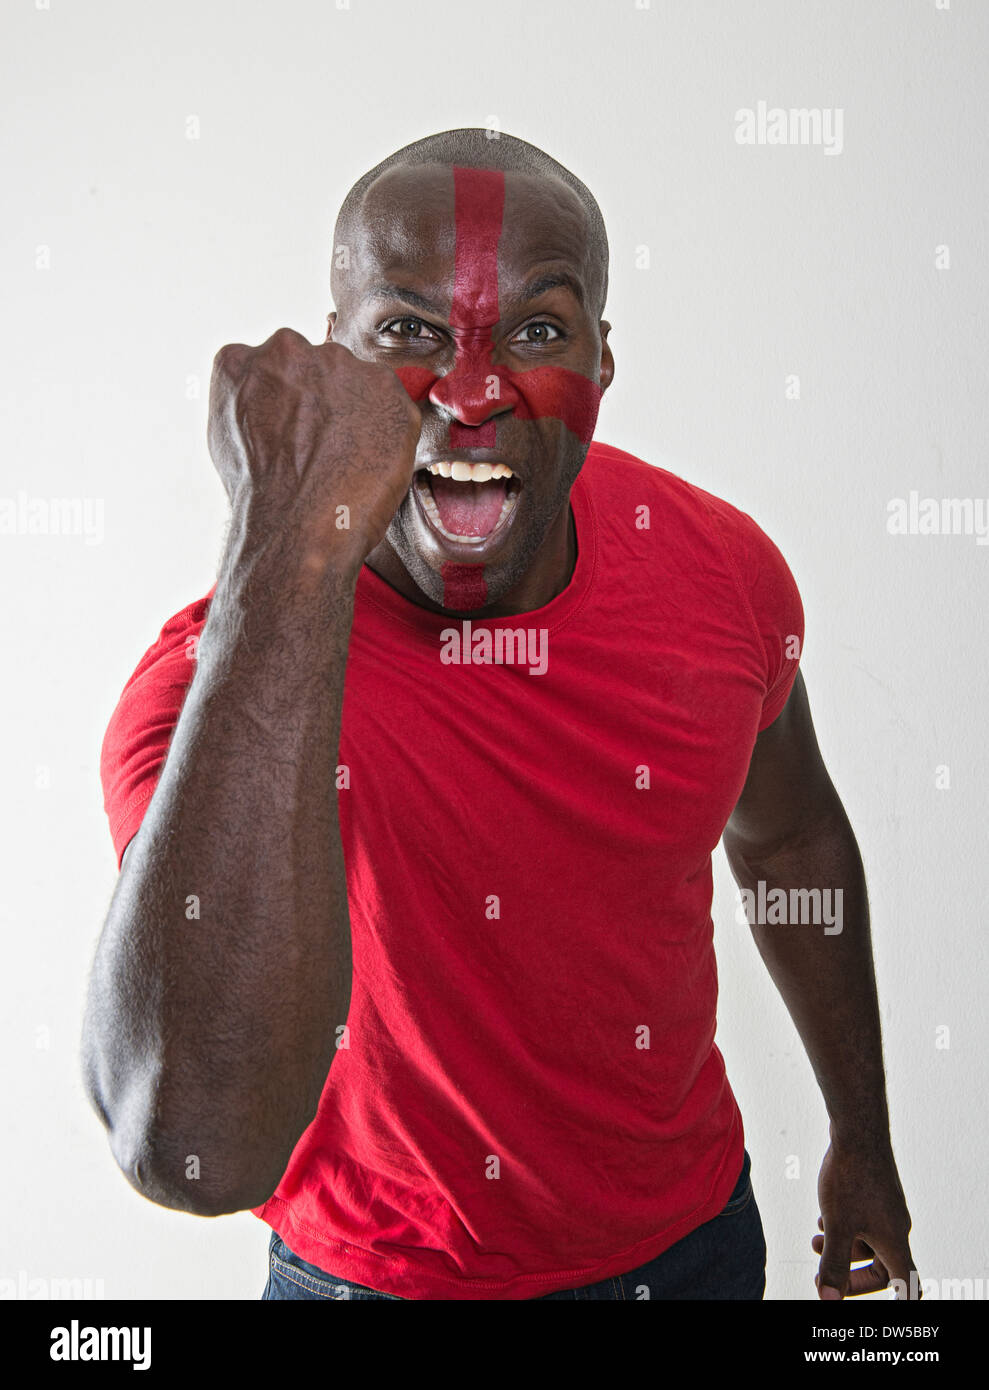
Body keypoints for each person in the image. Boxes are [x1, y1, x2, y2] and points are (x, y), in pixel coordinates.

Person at [83, 127, 918, 1301]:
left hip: (688, 1253)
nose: (471, 393)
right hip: (368, 1282)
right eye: (409, 333)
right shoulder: (205, 687)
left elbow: (787, 840)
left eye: (535, 330)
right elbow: (193, 1146)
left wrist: (862, 1137)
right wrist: (286, 547)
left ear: (602, 359)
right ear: (333, 365)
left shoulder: (722, 576)